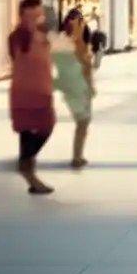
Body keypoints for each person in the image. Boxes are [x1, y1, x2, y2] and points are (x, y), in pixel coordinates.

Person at [9, 0, 55, 195]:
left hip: (43, 89)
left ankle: (26, 165)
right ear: (22, 16)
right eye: (31, 16)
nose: (36, 19)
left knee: (47, 126)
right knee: (27, 132)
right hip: (25, 91)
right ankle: (30, 174)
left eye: (38, 15)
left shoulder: (44, 35)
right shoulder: (18, 37)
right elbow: (16, 56)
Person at [52, 11, 95, 169]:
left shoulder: (76, 41)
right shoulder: (67, 43)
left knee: (83, 122)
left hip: (78, 86)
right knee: (82, 122)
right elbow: (82, 67)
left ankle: (78, 155)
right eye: (75, 23)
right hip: (76, 87)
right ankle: (77, 157)